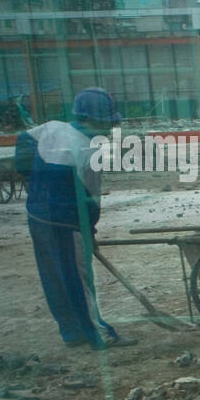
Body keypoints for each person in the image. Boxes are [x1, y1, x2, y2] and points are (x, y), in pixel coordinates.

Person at [15, 87, 135, 350]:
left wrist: (29, 179)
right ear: (94, 120)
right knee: (79, 279)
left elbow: (23, 140)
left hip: (37, 216)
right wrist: (89, 233)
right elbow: (91, 201)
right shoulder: (89, 152)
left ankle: (71, 332)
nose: (109, 130)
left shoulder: (52, 128)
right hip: (66, 225)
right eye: (106, 124)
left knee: (54, 277)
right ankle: (98, 334)